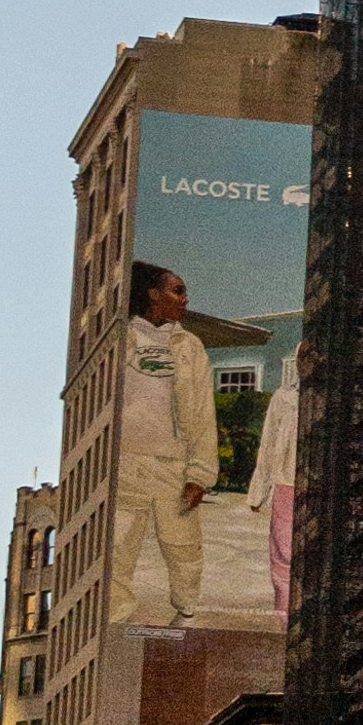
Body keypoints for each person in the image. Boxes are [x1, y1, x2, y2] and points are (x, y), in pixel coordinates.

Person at [109, 262, 216, 625]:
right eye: (178, 290)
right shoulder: (119, 338)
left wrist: (200, 474)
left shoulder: (190, 346)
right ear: (154, 294)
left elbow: (203, 411)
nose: (185, 299)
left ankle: (185, 612)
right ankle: (114, 623)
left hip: (173, 465)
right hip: (124, 464)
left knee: (183, 547)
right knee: (117, 549)